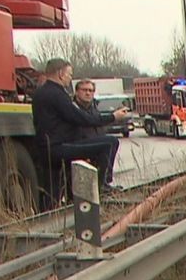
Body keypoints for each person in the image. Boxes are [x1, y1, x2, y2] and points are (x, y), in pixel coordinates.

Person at [31, 59, 130, 197]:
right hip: (59, 147)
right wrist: (113, 117)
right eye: (69, 74)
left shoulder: (39, 93)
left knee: (52, 193)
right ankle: (101, 187)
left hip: (44, 147)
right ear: (60, 74)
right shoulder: (58, 94)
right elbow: (80, 118)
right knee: (110, 142)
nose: (70, 78)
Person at [71, 80, 123, 188]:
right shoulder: (73, 108)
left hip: (94, 142)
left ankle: (105, 181)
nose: (88, 93)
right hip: (78, 143)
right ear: (76, 92)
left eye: (91, 91)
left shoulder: (93, 107)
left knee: (111, 142)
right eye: (84, 90)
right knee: (110, 142)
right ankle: (101, 184)